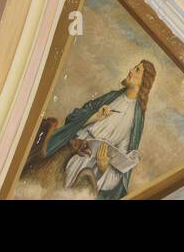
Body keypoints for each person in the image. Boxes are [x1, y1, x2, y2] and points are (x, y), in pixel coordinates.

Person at [24, 59, 156, 199]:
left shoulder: (135, 119)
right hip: (73, 151)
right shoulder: (112, 97)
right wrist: (95, 116)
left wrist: (103, 167)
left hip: (92, 168)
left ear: (143, 82)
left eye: (137, 70)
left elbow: (122, 162)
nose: (130, 70)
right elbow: (75, 117)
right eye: (134, 67)